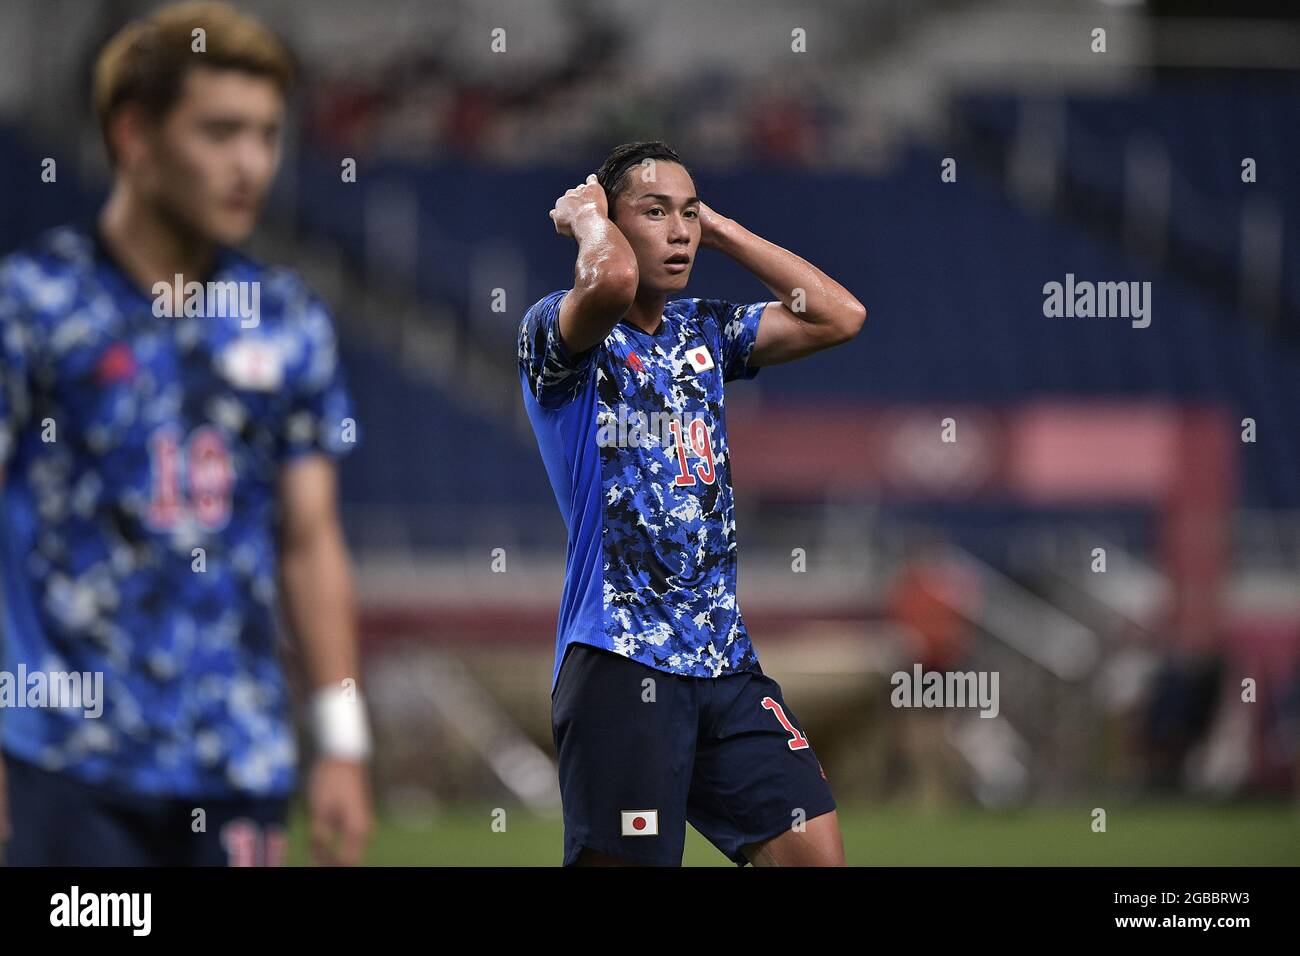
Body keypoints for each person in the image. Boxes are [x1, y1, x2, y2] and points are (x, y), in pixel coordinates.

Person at [0, 1, 371, 866]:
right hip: (66, 759)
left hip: (238, 760)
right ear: (134, 135)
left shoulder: (287, 322)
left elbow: (310, 543)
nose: (251, 164)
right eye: (220, 131)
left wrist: (342, 742)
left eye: (268, 135)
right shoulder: (32, 306)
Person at [517, 140, 865, 865]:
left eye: (688, 213)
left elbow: (839, 316)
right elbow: (610, 282)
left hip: (724, 662)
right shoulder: (559, 333)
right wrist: (587, 222)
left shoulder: (701, 330)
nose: (679, 231)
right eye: (655, 212)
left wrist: (724, 228)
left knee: (814, 854)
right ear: (612, 223)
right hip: (622, 660)